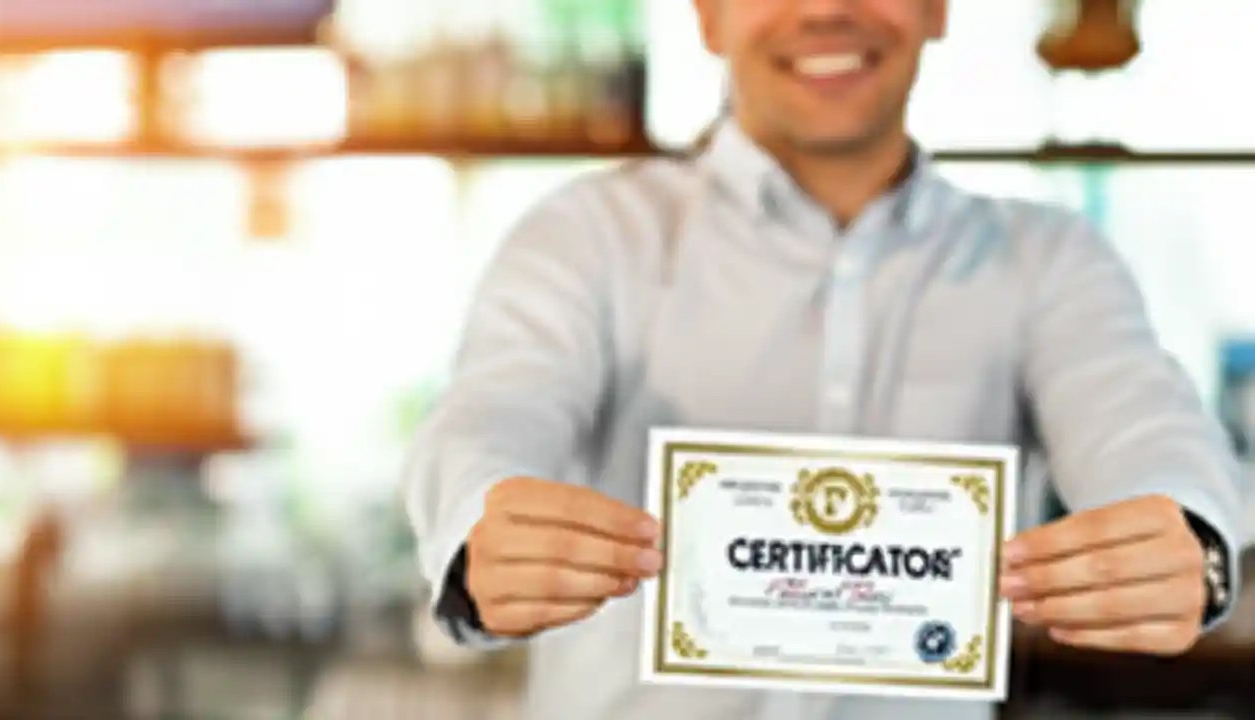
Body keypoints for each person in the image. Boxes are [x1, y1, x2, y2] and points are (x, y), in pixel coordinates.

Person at [402, 1, 1243, 718]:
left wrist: (1189, 537)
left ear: (939, 7)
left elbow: (1140, 415)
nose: (827, 9)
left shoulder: (1049, 259)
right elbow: (494, 409)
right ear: (705, 14)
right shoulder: (588, 236)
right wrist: (482, 526)